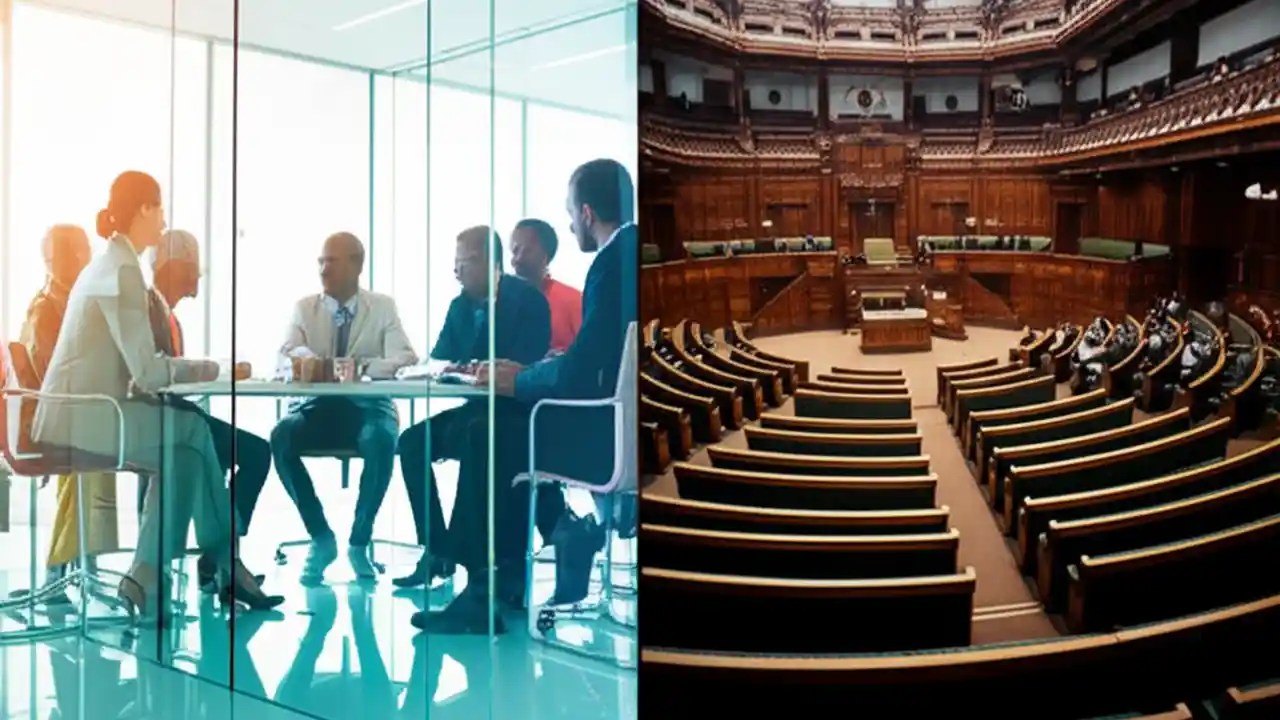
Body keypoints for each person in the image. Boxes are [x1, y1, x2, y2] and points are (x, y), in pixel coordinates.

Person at [32, 171, 280, 619]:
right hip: (87, 418)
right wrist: (215, 368)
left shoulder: (107, 263)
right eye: (160, 209)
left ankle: (145, 577)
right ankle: (227, 561)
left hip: (78, 412)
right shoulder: (123, 270)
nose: (163, 222)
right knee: (193, 428)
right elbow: (146, 371)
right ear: (143, 209)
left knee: (183, 456)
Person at [421, 158, 636, 632]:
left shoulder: (610, 264)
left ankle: (485, 589)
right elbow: (588, 359)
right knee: (492, 430)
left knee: (488, 434)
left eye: (567, 211)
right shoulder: (629, 255)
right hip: (615, 424)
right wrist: (531, 372)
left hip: (599, 434)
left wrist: (519, 380)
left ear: (584, 213)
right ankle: (521, 569)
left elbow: (582, 371)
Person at [392, 226, 552, 595]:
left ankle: (473, 565)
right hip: (473, 409)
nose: (457, 271)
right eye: (456, 263)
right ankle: (436, 549)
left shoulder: (527, 301)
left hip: (515, 415)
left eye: (466, 262)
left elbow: (528, 363)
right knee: (412, 443)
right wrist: (456, 368)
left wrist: (479, 367)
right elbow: (442, 357)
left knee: (478, 434)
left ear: (491, 263)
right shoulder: (458, 306)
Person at [272, 231, 417, 583]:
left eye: (332, 262)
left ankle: (359, 540)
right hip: (318, 407)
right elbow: (286, 353)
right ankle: (321, 537)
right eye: (320, 261)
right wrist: (316, 362)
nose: (323, 269)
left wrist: (363, 368)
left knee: (381, 440)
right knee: (281, 437)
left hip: (368, 406)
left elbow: (405, 357)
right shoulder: (305, 308)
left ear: (357, 265)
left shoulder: (382, 307)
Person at [138, 229, 274, 593]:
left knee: (256, 452)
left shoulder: (167, 315)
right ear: (173, 266)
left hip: (178, 412)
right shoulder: (148, 310)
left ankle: (220, 556)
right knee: (255, 453)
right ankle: (222, 558)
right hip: (160, 419)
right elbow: (155, 375)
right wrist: (212, 369)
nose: (198, 276)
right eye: (192, 267)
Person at [21, 225, 120, 587]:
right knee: (94, 446)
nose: (82, 259)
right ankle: (61, 567)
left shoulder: (75, 301)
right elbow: (50, 375)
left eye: (83, 251)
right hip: (50, 416)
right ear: (53, 261)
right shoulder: (45, 309)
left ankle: (81, 560)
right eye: (73, 253)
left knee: (103, 439)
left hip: (73, 411)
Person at [509, 218, 583, 353]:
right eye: (515, 251)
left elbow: (589, 353)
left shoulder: (573, 301)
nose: (518, 259)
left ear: (546, 255)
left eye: (527, 251)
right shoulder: (502, 301)